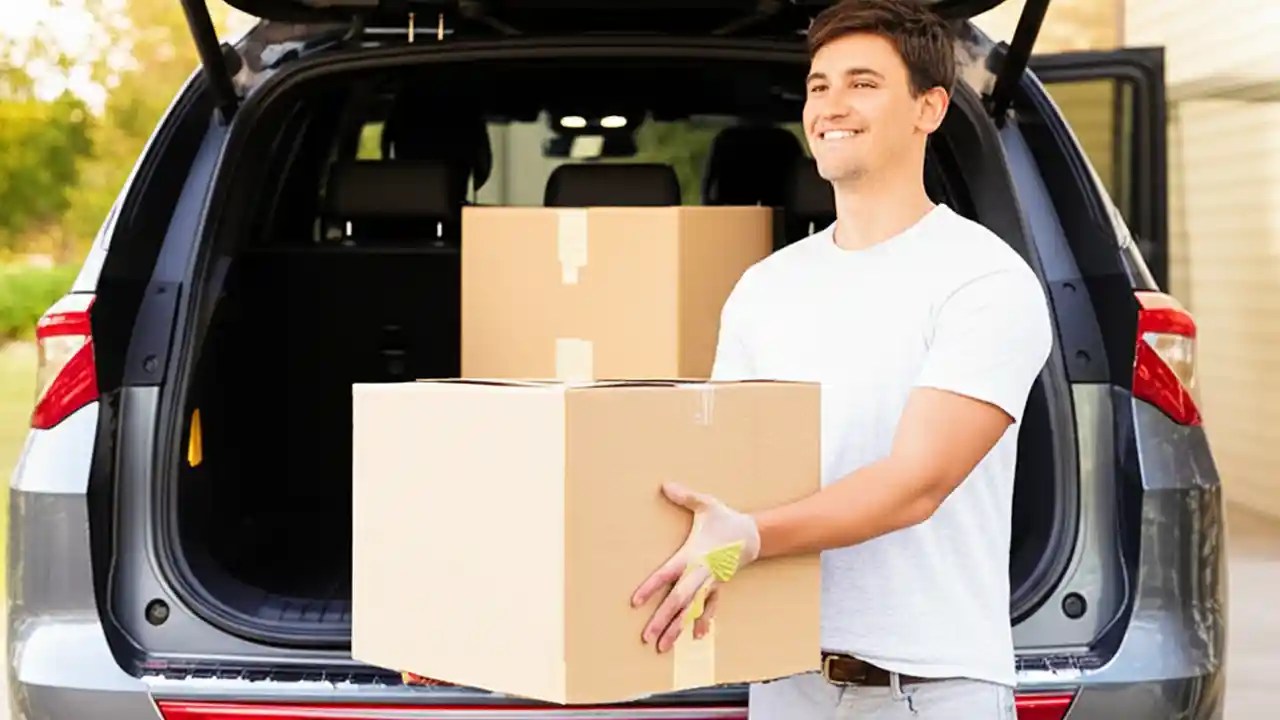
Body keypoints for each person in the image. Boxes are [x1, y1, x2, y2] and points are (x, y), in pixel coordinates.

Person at [630, 0, 1054, 717]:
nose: (830, 105)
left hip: (928, 692)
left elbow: (914, 485)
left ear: (929, 108)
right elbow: (728, 497)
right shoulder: (768, 287)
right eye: (819, 85)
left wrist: (747, 538)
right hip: (786, 683)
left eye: (862, 83)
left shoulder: (983, 279)